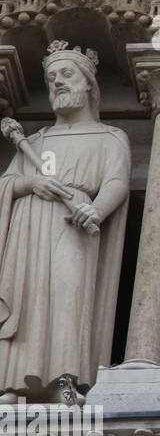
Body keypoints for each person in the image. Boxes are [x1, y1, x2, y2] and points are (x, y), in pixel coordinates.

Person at [0, 41, 130, 401]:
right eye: (51, 76)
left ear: (88, 83)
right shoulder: (37, 141)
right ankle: (17, 384)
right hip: (31, 225)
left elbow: (116, 181)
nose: (57, 82)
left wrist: (97, 210)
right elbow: (7, 183)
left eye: (67, 74)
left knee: (67, 293)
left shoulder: (110, 137)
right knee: (30, 295)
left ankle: (63, 379)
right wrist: (31, 182)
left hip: (73, 222)